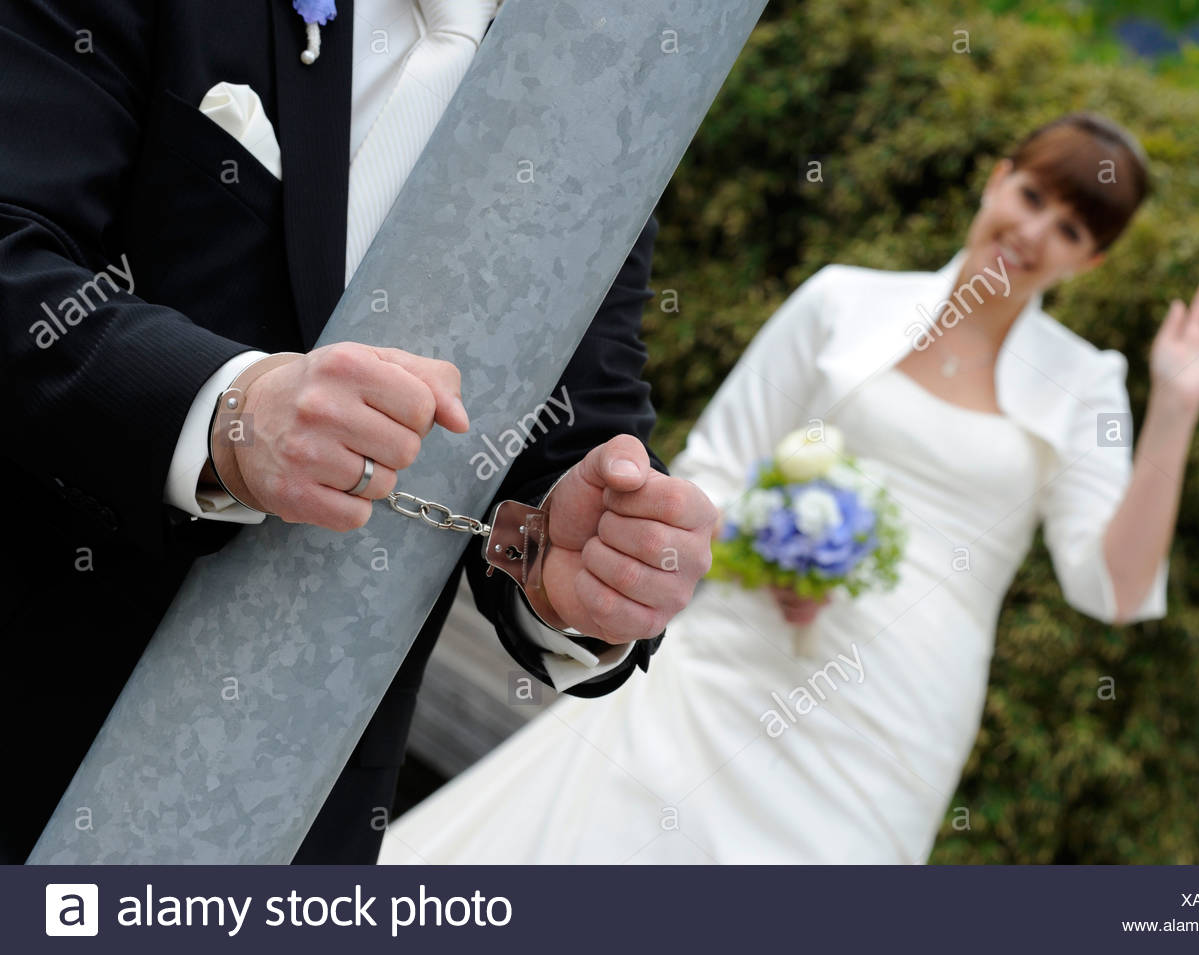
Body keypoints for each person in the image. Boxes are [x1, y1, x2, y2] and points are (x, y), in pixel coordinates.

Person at [379, 113, 1199, 864]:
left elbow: (1110, 587)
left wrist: (1176, 406)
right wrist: (767, 553)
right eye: (1032, 197)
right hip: (734, 659)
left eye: (1071, 230)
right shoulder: (843, 302)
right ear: (997, 180)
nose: (1035, 234)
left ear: (1091, 262)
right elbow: (718, 466)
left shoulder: (1087, 383)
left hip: (899, 718)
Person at [0, 0, 715, 864]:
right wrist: (226, 409)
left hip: (295, 826)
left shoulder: (600, 94)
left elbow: (574, 430)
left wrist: (590, 559)